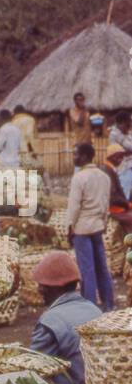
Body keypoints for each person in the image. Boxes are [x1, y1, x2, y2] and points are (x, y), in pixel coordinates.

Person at [29, 251, 102, 384]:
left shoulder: (49, 322)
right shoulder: (94, 309)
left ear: (54, 287)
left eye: (42, 285)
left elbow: (33, 369)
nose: (39, 290)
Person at [66, 141, 113, 310]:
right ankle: (108, 303)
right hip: (98, 226)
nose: (74, 158)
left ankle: (90, 306)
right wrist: (104, 223)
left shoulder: (79, 178)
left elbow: (74, 206)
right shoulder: (104, 177)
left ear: (85, 156)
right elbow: (105, 204)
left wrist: (70, 227)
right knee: (102, 267)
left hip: (82, 229)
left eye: (76, 154)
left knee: (86, 270)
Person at [103, 144, 132, 231]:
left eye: (122, 157)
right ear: (112, 157)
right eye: (119, 157)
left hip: (116, 206)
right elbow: (112, 196)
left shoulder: (110, 169)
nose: (121, 160)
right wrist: (128, 205)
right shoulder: (107, 170)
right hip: (111, 209)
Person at [106, 111, 132, 199]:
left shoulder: (127, 133)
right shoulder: (115, 134)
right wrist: (126, 152)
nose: (129, 127)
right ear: (120, 123)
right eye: (127, 124)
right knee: (125, 188)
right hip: (122, 167)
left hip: (128, 163)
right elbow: (129, 147)